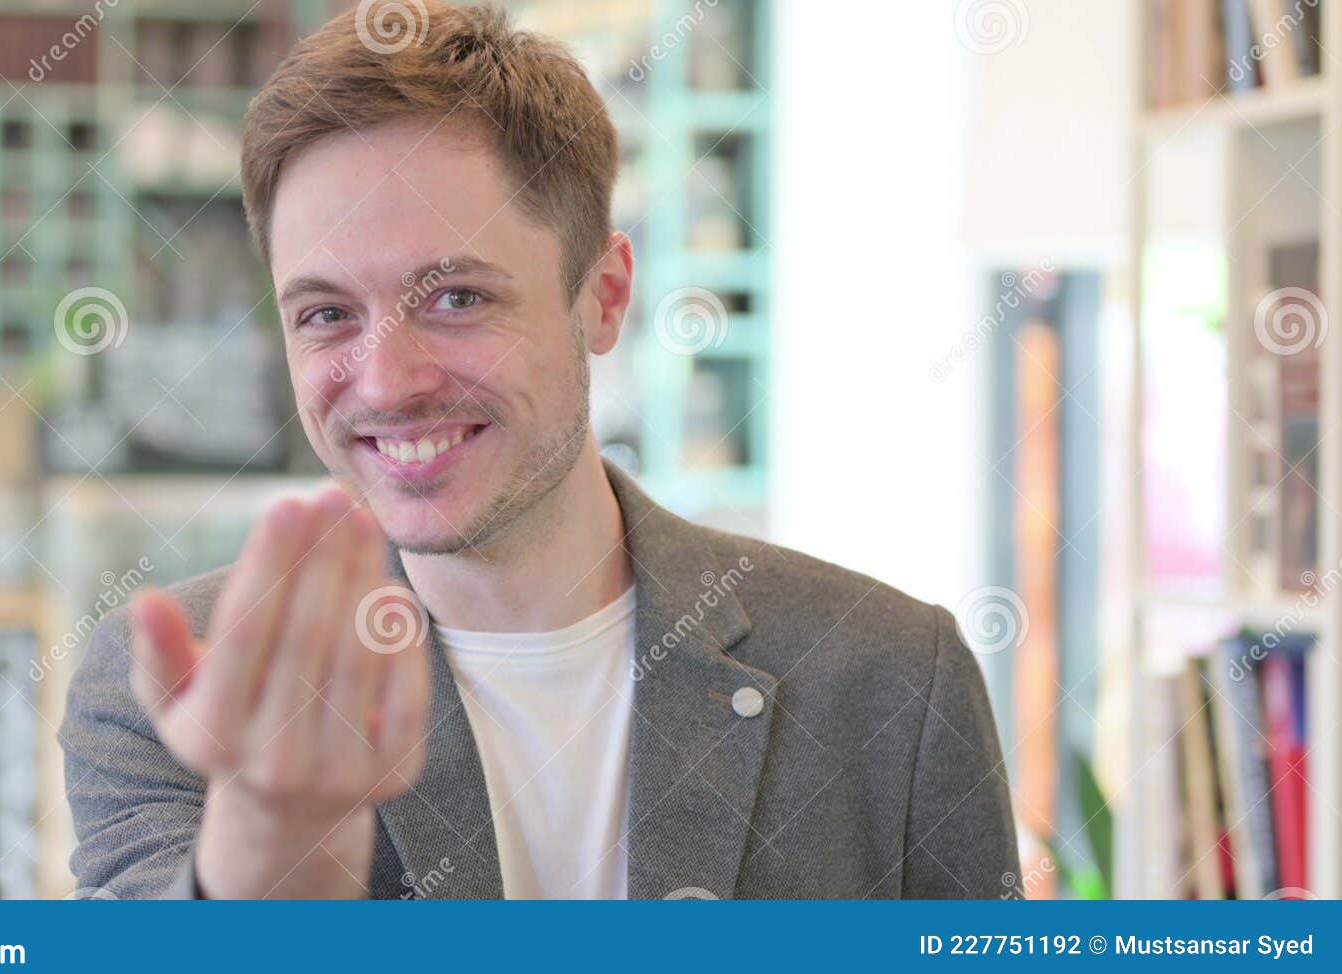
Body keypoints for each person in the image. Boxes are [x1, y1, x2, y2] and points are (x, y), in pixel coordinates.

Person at [60, 0, 1018, 900]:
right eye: (324, 314)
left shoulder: (892, 678)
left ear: (601, 297)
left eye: (457, 298)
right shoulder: (177, 687)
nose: (386, 381)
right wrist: (274, 831)